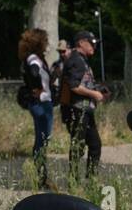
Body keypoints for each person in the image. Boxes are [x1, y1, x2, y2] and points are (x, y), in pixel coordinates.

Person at [61, 29, 105, 183]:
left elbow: (81, 83)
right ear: (81, 43)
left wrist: (97, 90)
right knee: (78, 147)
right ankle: (73, 181)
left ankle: (90, 180)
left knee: (94, 145)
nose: (94, 46)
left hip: (85, 110)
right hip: (77, 110)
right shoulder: (76, 60)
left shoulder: (81, 59)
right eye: (91, 43)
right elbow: (74, 86)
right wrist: (95, 94)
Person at [18, 27, 54, 187]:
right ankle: (41, 177)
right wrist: (37, 88)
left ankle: (41, 175)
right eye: (45, 40)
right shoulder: (34, 58)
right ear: (39, 42)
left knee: (42, 139)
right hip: (41, 103)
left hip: (41, 102)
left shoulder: (35, 57)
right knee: (42, 139)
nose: (47, 44)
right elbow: (33, 72)